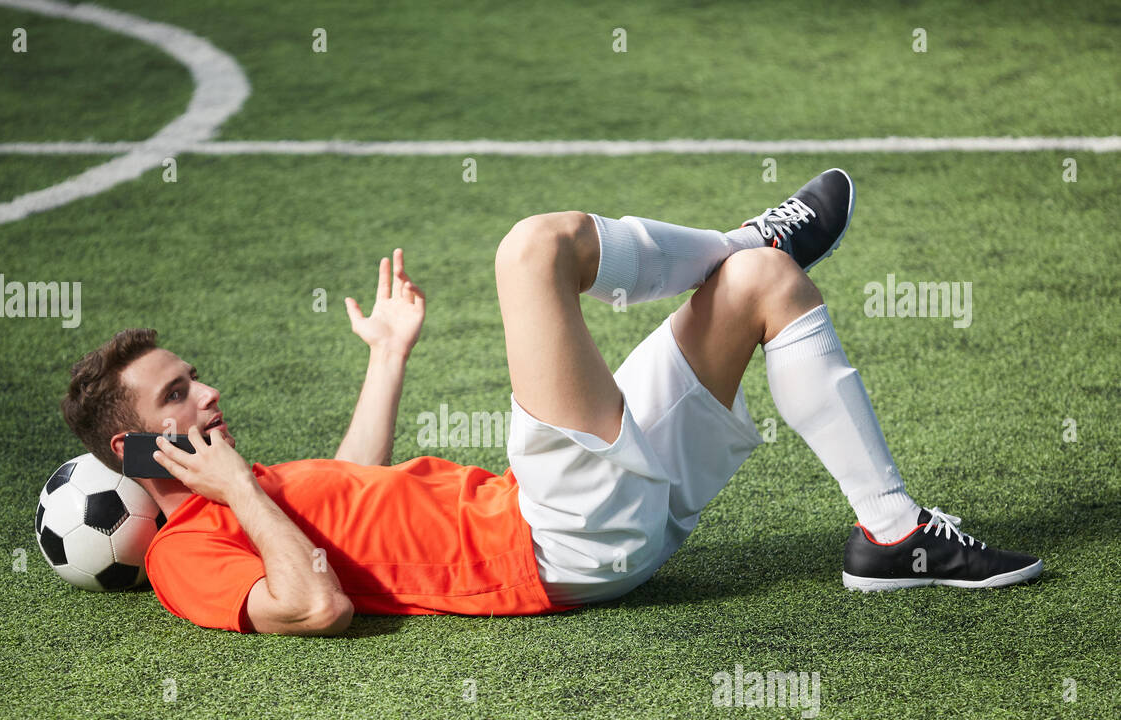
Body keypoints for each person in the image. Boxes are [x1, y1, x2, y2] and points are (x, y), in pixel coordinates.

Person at [59, 169, 1042, 635]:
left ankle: (892, 533)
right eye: (177, 394)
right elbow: (316, 602)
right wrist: (235, 487)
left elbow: (350, 490)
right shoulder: (186, 552)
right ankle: (737, 235)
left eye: (195, 376)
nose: (209, 391)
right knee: (533, 250)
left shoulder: (253, 492)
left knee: (763, 286)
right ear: (133, 448)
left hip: (575, 518)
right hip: (549, 539)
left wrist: (389, 356)